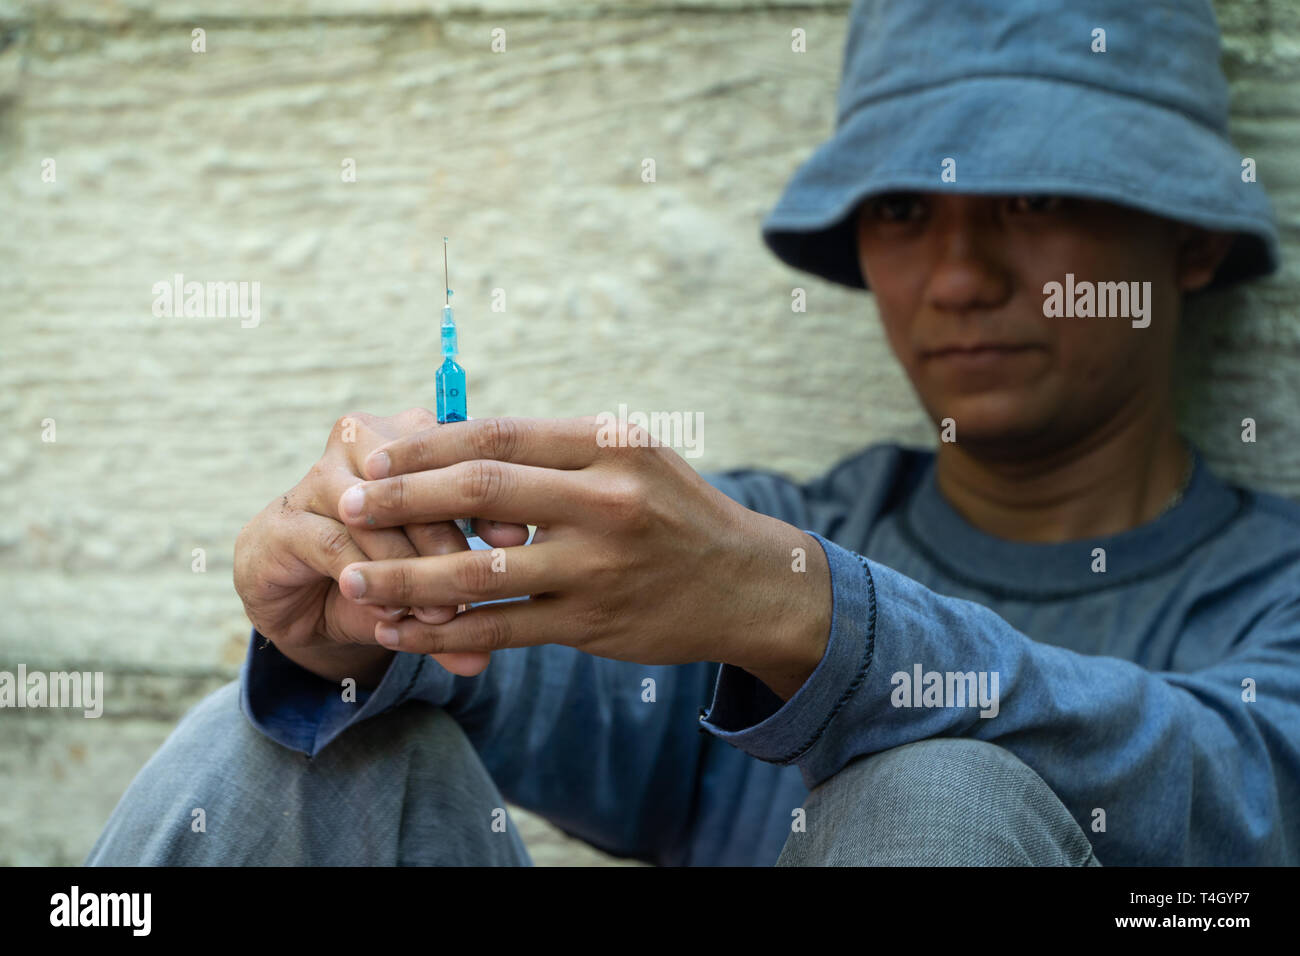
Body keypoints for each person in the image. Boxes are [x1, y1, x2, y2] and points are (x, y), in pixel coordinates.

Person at [87, 0, 1297, 866]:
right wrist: (373, 613)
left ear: (1188, 237)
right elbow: (540, 680)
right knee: (291, 746)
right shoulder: (775, 541)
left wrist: (812, 617)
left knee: (941, 795)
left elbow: (1244, 799)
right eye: (904, 207)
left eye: (1035, 196)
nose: (960, 273)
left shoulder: (1271, 593)